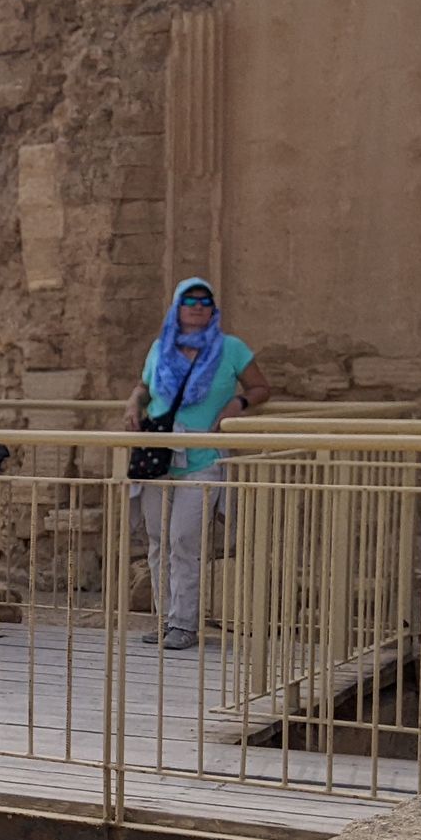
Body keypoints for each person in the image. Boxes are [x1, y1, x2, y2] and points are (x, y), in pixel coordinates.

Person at [119, 276, 273, 650]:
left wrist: (238, 403)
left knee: (184, 540)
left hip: (203, 456)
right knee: (158, 541)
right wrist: (133, 403)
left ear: (213, 309)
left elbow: (260, 387)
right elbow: (145, 386)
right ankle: (165, 618)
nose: (198, 307)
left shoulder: (231, 348)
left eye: (205, 301)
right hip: (159, 456)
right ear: (177, 307)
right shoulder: (161, 347)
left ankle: (184, 623)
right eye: (189, 300)